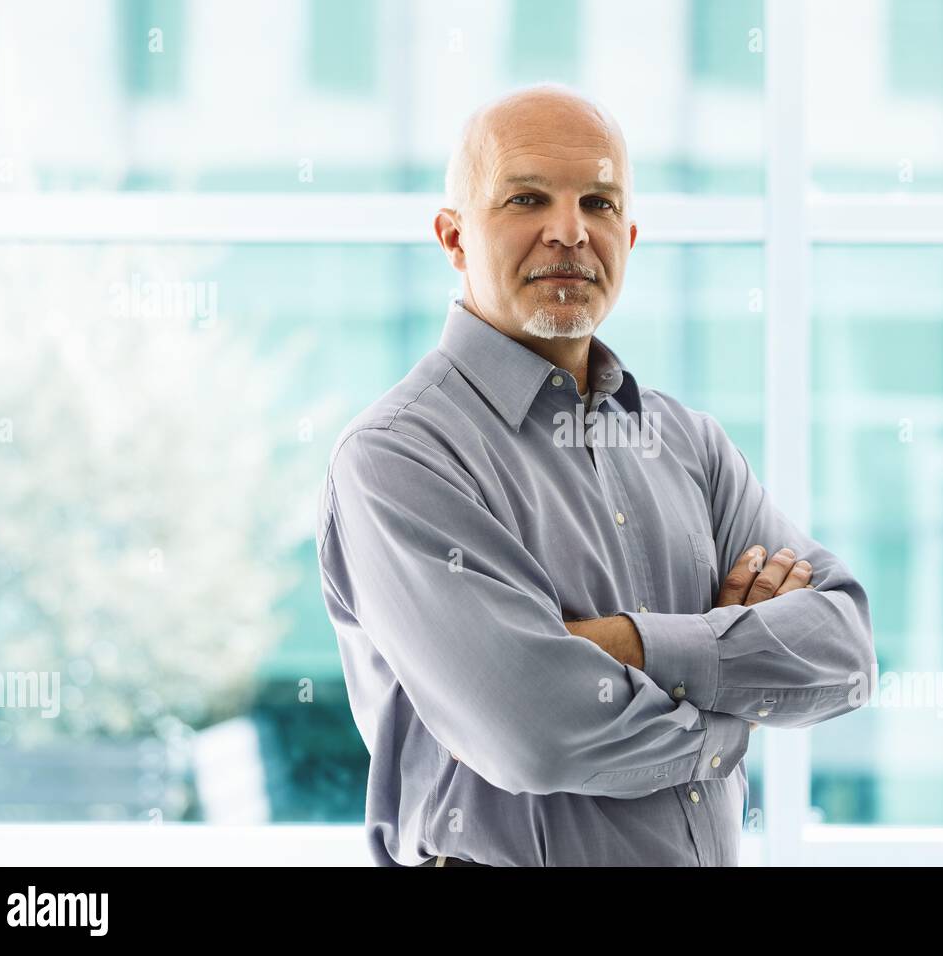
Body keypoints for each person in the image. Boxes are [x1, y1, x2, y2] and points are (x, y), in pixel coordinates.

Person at [315, 82, 875, 866]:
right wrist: (730, 708)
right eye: (527, 199)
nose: (570, 231)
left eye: (599, 203)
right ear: (454, 237)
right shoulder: (398, 457)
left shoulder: (688, 443)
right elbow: (534, 729)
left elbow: (845, 653)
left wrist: (622, 645)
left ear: (630, 237)